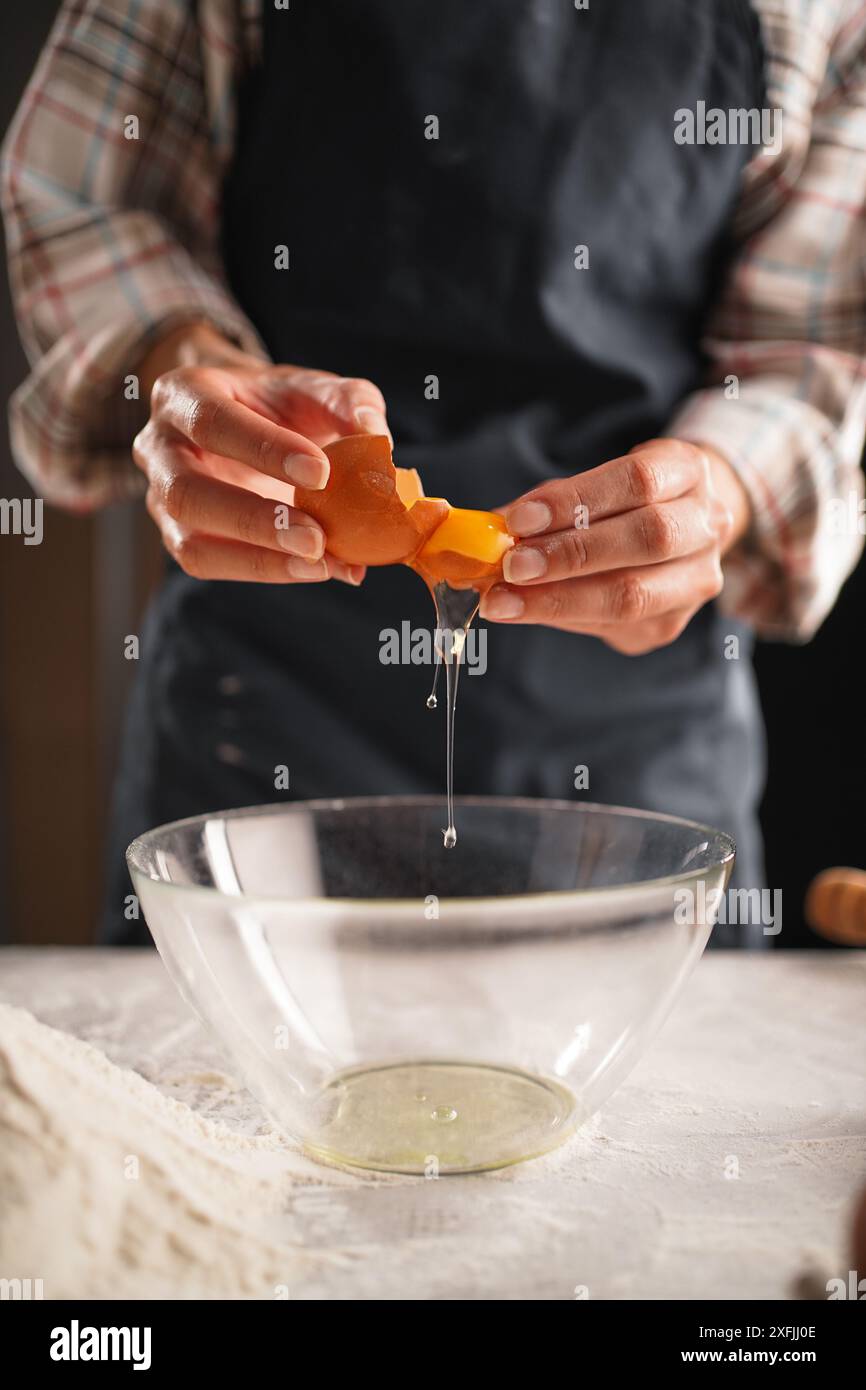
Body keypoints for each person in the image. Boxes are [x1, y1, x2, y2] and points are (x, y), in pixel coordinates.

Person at [3, 0, 864, 947]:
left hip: (639, 769)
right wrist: (184, 359)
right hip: (264, 738)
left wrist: (719, 488)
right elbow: (82, 193)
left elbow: (810, 350)